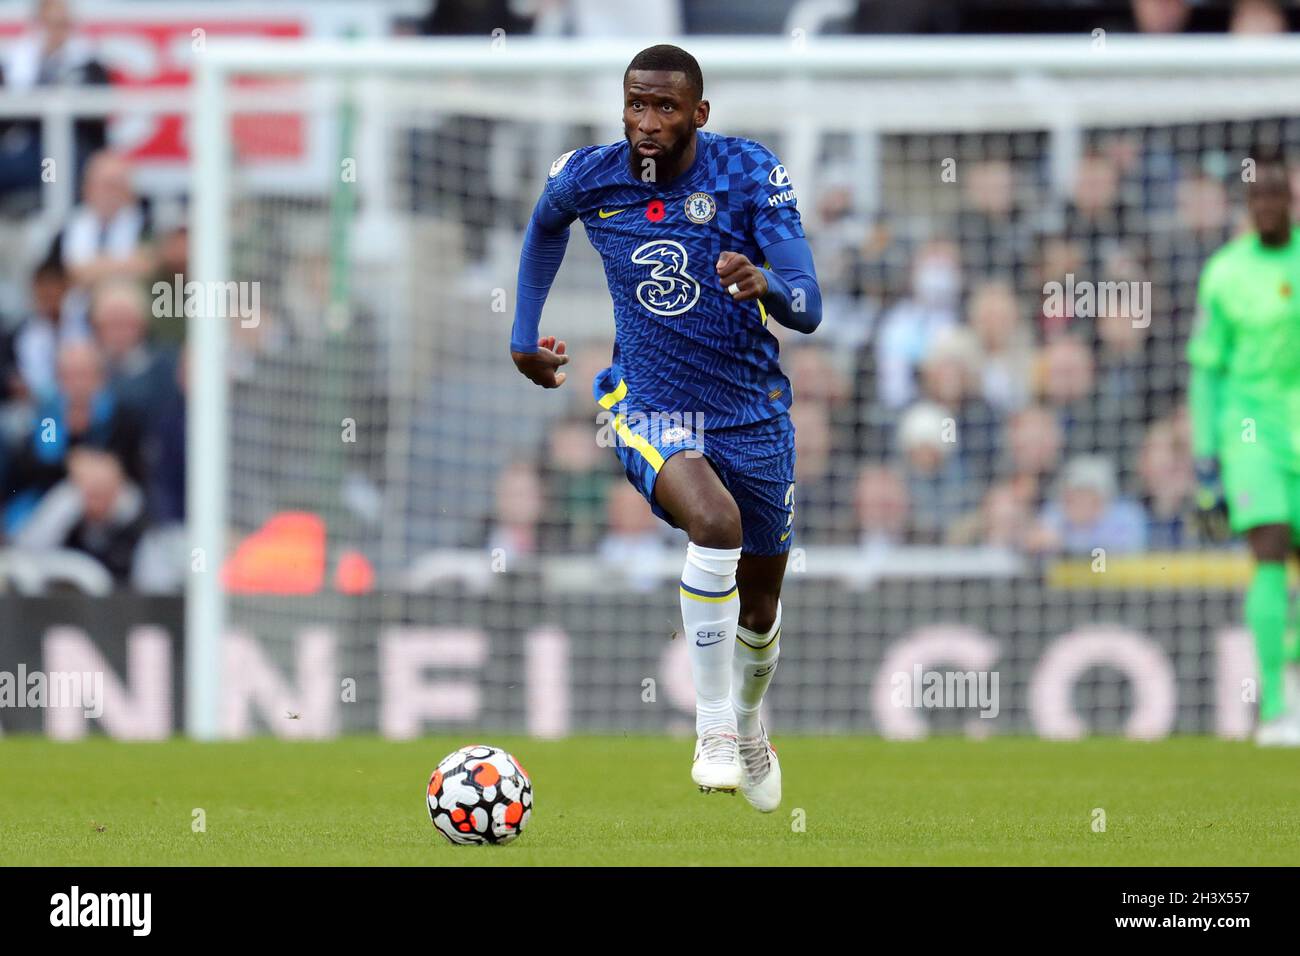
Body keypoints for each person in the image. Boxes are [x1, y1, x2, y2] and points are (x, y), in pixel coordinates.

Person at [509, 45, 821, 810]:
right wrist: (524, 332)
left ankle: (748, 727)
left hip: (751, 415)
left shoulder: (749, 174)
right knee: (712, 524)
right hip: (646, 403)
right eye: (635, 105)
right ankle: (712, 724)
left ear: (699, 114)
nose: (647, 123)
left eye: (666, 108)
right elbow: (544, 227)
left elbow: (809, 307)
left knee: (760, 608)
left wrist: (766, 283)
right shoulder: (590, 175)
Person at [1188, 150, 1300, 746]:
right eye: (1255, 199)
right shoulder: (1225, 273)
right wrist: (1206, 458)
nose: (1265, 207)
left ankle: (1289, 649)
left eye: (1274, 197)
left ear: (1290, 201)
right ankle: (1278, 709)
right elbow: (1206, 371)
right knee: (1271, 547)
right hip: (1250, 430)